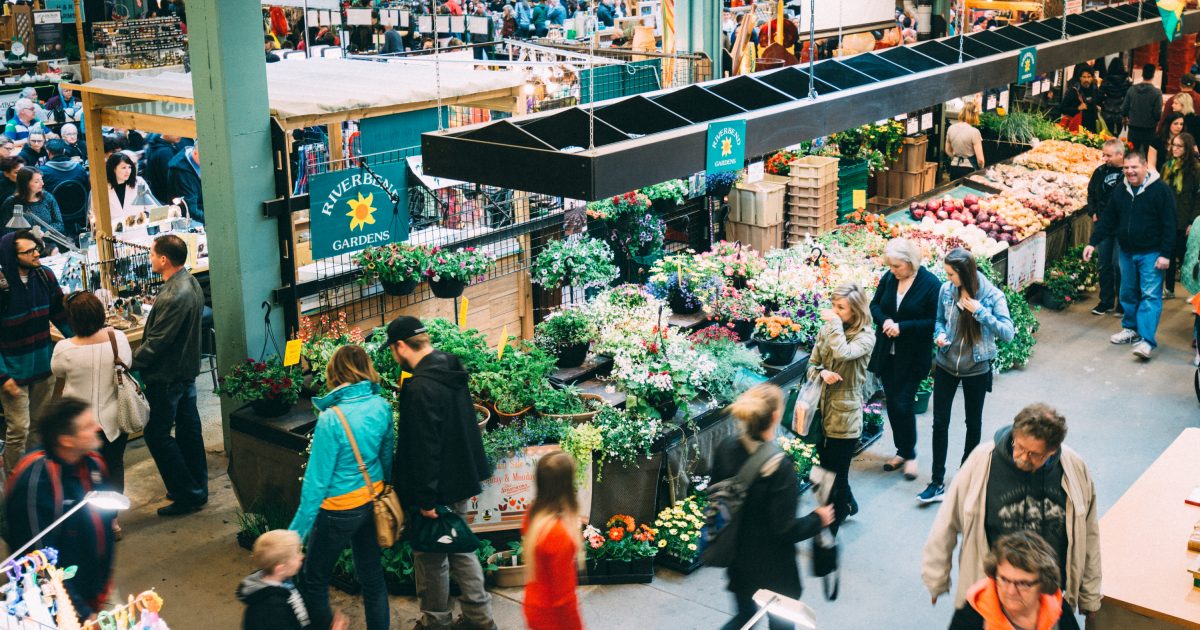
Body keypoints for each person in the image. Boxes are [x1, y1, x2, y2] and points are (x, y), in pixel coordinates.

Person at [923, 404, 1101, 626]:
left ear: (1053, 450)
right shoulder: (981, 461)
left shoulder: (1074, 468)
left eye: (1034, 454)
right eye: (1019, 447)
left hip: (1048, 592)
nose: (1023, 457)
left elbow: (1089, 535)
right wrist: (936, 577)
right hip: (995, 590)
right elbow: (946, 522)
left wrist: (1090, 595)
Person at [387, 316, 495, 630]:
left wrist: (426, 498)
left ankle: (436, 621)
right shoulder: (448, 367)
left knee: (430, 554)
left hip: (436, 488)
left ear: (401, 346)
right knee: (459, 546)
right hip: (459, 477)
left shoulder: (420, 386)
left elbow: (424, 446)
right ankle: (479, 618)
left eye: (392, 349)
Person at [713, 384, 835, 630]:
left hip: (738, 558)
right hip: (774, 569)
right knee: (781, 625)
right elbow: (785, 528)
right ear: (776, 416)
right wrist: (818, 518)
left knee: (745, 617)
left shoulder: (727, 447)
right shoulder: (779, 467)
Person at [288, 345, 392, 630]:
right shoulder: (381, 406)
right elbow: (386, 458)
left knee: (314, 579)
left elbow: (316, 483)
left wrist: (294, 536)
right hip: (372, 501)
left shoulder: (331, 419)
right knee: (373, 579)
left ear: (335, 372)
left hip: (338, 510)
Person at [4, 398, 115, 621]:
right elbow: (39, 563)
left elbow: (105, 526)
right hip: (54, 605)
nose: (98, 427)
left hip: (92, 593)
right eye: (87, 426)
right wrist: (81, 612)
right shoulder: (36, 482)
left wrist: (102, 587)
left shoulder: (92, 462)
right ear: (66, 440)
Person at [919, 248, 1014, 504]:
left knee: (973, 423)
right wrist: (939, 335)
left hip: (976, 369)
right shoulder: (946, 291)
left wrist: (981, 312)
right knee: (940, 423)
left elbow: (1008, 332)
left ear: (964, 273)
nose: (948, 278)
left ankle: (964, 477)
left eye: (951, 274)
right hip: (946, 365)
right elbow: (939, 320)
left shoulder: (992, 296)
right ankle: (937, 481)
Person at [133, 234, 207, 515]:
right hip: (185, 371)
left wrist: (128, 362)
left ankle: (187, 494)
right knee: (189, 431)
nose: (150, 259)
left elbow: (158, 342)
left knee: (157, 435)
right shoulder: (190, 282)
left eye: (152, 254)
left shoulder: (175, 294)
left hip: (168, 376)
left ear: (164, 259)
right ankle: (197, 488)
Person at [51, 290, 132, 537]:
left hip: (79, 426)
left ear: (72, 319)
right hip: (114, 419)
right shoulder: (118, 339)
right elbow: (128, 364)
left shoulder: (64, 349)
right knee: (114, 467)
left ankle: (88, 522)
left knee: (81, 473)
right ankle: (112, 521)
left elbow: (57, 373)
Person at [1084, 151, 1176, 360]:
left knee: (1150, 296)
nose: (1130, 171)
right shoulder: (1121, 190)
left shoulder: (1160, 190)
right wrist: (1092, 242)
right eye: (1126, 167)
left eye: (1134, 167)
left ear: (1145, 167)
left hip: (1151, 253)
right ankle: (1130, 329)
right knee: (1127, 292)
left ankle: (1147, 341)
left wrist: (1165, 254)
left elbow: (1170, 224)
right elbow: (1108, 219)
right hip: (1127, 252)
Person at [869, 238, 940, 481]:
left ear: (911, 263)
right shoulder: (889, 278)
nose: (893, 270)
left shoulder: (930, 284)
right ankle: (902, 450)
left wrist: (903, 327)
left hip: (913, 356)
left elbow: (934, 322)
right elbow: (875, 305)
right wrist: (885, 321)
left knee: (904, 404)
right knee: (893, 403)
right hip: (887, 354)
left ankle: (909, 455)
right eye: (890, 266)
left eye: (897, 266)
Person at [0, 230, 71, 472]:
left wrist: (81, 339)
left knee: (40, 427)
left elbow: (60, 315)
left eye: (36, 248)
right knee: (19, 430)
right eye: (29, 251)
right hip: (13, 373)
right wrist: (3, 376)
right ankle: (15, 482)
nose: (36, 254)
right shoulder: (2, 286)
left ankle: (35, 476)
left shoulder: (45, 276)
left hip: (43, 367)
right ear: (12, 257)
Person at [808, 282, 875, 530]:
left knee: (834, 477)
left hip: (845, 417)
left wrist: (834, 324)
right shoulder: (830, 329)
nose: (835, 312)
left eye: (841, 308)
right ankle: (847, 505)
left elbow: (843, 353)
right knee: (821, 471)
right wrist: (821, 373)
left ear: (856, 310)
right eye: (833, 306)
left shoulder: (866, 337)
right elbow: (811, 364)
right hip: (820, 411)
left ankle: (829, 530)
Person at [948, 531, 1077, 630]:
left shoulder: (1060, 611)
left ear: (1043, 584)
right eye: (1004, 580)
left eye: (1023, 583)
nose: (1011, 591)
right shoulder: (971, 617)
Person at [522, 451, 582, 630]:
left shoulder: (534, 515)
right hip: (553, 618)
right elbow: (564, 598)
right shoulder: (558, 535)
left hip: (534, 604)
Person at [238, 529, 340, 630]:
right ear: (281, 569)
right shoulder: (272, 610)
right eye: (296, 554)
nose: (301, 556)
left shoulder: (284, 578)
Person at [1087, 139, 1127, 315]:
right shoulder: (1100, 172)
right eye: (1104, 154)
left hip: (1122, 227)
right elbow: (1091, 192)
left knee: (1119, 265)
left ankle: (1123, 302)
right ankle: (1106, 301)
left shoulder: (1129, 172)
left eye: (1109, 155)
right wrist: (1093, 212)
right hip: (1103, 225)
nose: (1105, 158)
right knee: (1104, 264)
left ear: (1120, 155)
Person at [1160, 132, 1200, 299]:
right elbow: (1161, 192)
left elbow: (1198, 197)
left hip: (1186, 218)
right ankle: (1169, 289)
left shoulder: (1195, 169)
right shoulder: (1167, 167)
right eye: (1173, 145)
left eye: (1179, 146)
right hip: (1168, 217)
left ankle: (1195, 291)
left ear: (1187, 148)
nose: (1175, 149)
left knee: (1187, 256)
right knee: (1168, 253)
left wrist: (1192, 221)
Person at [97, 152, 161, 233]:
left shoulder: (139, 182)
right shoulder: (102, 188)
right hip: (113, 235)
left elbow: (153, 208)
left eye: (129, 167)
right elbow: (96, 217)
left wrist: (170, 212)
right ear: (113, 169)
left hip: (139, 234)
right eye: (123, 168)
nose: (128, 171)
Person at [0, 167, 64, 235]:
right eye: (36, 181)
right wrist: (27, 235)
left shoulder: (48, 197)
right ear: (25, 184)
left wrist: (42, 231)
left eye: (41, 179)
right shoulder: (11, 202)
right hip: (22, 240)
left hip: (47, 238)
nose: (42, 183)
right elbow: (5, 230)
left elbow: (60, 225)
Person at [1123, 64, 1163, 155]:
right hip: (1149, 129)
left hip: (1133, 127)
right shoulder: (1157, 93)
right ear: (1153, 75)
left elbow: (1124, 108)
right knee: (1147, 154)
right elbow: (1157, 114)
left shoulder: (1132, 90)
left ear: (1142, 74)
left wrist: (1127, 117)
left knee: (1132, 153)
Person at [946, 101, 985, 181]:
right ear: (974, 115)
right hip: (969, 168)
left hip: (954, 167)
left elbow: (947, 150)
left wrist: (956, 157)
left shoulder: (951, 128)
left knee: (955, 188)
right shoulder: (974, 132)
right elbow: (980, 160)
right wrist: (981, 169)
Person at [167, 140, 203, 223]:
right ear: (195, 153)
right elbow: (192, 210)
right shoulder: (182, 173)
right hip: (191, 221)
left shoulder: (196, 157)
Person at [143, 133, 183, 202]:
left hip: (158, 195)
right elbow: (171, 179)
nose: (180, 135)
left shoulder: (155, 145)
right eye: (175, 132)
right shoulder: (165, 152)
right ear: (165, 131)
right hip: (167, 198)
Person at [1100, 58, 1132, 138]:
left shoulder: (1106, 80)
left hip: (1108, 109)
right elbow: (1128, 96)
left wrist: (1103, 102)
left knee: (1108, 134)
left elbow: (1099, 95)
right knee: (1119, 134)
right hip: (1121, 110)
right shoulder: (1126, 80)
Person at [1060, 67, 1098, 132]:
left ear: (1092, 78)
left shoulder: (1095, 89)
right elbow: (1062, 108)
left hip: (1092, 127)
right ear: (1080, 78)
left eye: (1089, 77)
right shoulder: (1074, 91)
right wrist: (1077, 108)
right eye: (1084, 77)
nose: (1086, 79)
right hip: (1076, 127)